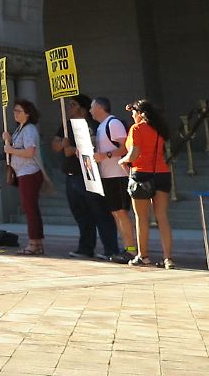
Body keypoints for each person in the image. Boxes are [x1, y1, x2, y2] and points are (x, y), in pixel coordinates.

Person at [53, 95, 120, 262]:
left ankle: (111, 248)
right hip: (71, 175)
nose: (69, 108)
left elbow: (79, 149)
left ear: (82, 108)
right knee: (81, 214)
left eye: (72, 105)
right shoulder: (66, 125)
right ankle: (85, 247)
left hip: (88, 174)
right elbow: (55, 145)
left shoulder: (92, 125)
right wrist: (64, 144)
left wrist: (67, 146)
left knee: (100, 213)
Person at [120, 99, 174, 268]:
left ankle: (143, 256)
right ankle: (168, 258)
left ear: (140, 113)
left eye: (133, 113)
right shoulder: (159, 129)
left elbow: (134, 154)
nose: (132, 116)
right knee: (162, 218)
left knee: (141, 217)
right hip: (162, 173)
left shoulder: (136, 129)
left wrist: (122, 160)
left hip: (141, 174)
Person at [90, 98, 135, 257]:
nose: (90, 110)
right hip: (107, 175)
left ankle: (131, 249)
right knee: (116, 212)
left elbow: (125, 148)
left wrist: (106, 155)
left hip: (118, 174)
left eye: (92, 107)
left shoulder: (113, 123)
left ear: (100, 108)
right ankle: (126, 248)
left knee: (121, 212)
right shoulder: (102, 126)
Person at [3, 100, 44, 255]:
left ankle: (34, 242)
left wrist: (11, 149)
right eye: (15, 110)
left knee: (30, 208)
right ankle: (36, 241)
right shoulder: (19, 129)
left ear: (27, 113)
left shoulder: (29, 130)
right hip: (22, 173)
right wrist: (9, 139)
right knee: (30, 208)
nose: (15, 113)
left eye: (19, 111)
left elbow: (29, 152)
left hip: (29, 172)